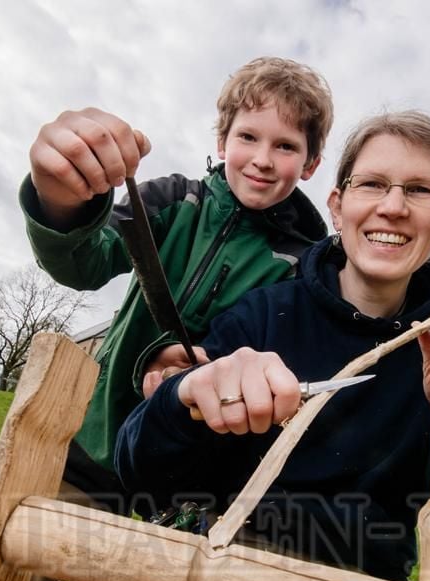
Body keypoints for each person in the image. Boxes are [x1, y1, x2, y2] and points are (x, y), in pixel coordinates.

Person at [115, 111, 430, 581]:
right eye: (371, 184)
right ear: (337, 205)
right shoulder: (262, 313)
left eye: (419, 190)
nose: (393, 207)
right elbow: (138, 467)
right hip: (226, 571)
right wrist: (187, 395)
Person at [20, 57, 334, 509]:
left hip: (187, 474)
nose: (263, 160)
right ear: (222, 141)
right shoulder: (173, 199)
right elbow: (84, 265)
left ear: (310, 164)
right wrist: (60, 198)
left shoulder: (305, 265)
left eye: (286, 146)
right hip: (95, 435)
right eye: (248, 137)